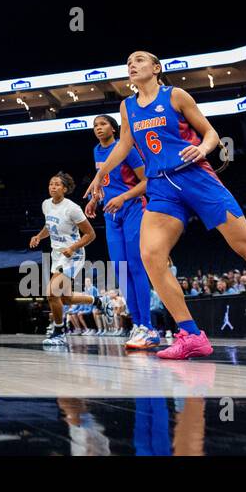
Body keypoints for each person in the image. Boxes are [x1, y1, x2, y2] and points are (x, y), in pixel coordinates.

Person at [87, 50, 246, 361]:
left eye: (139, 59)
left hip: (197, 178)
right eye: (128, 61)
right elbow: (126, 143)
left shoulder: (176, 95)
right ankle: (191, 335)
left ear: (156, 68)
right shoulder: (127, 107)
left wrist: (202, 148)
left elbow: (210, 133)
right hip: (161, 187)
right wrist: (101, 175)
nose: (132, 63)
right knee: (151, 255)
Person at [84, 115, 158, 350]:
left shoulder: (126, 148)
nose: (98, 128)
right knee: (120, 269)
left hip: (133, 209)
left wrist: (124, 197)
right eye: (95, 126)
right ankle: (137, 325)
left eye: (103, 124)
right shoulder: (97, 151)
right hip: (110, 215)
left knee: (135, 266)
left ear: (114, 128)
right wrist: (95, 198)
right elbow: (104, 181)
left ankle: (148, 326)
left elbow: (147, 181)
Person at [30, 172, 112, 346]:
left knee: (52, 293)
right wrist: (38, 236)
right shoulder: (46, 205)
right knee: (65, 298)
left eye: (57, 184)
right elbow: (49, 225)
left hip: (73, 255)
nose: (53, 187)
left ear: (65, 189)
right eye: (51, 183)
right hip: (57, 255)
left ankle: (59, 332)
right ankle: (97, 300)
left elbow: (91, 234)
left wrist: (73, 247)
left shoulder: (72, 208)